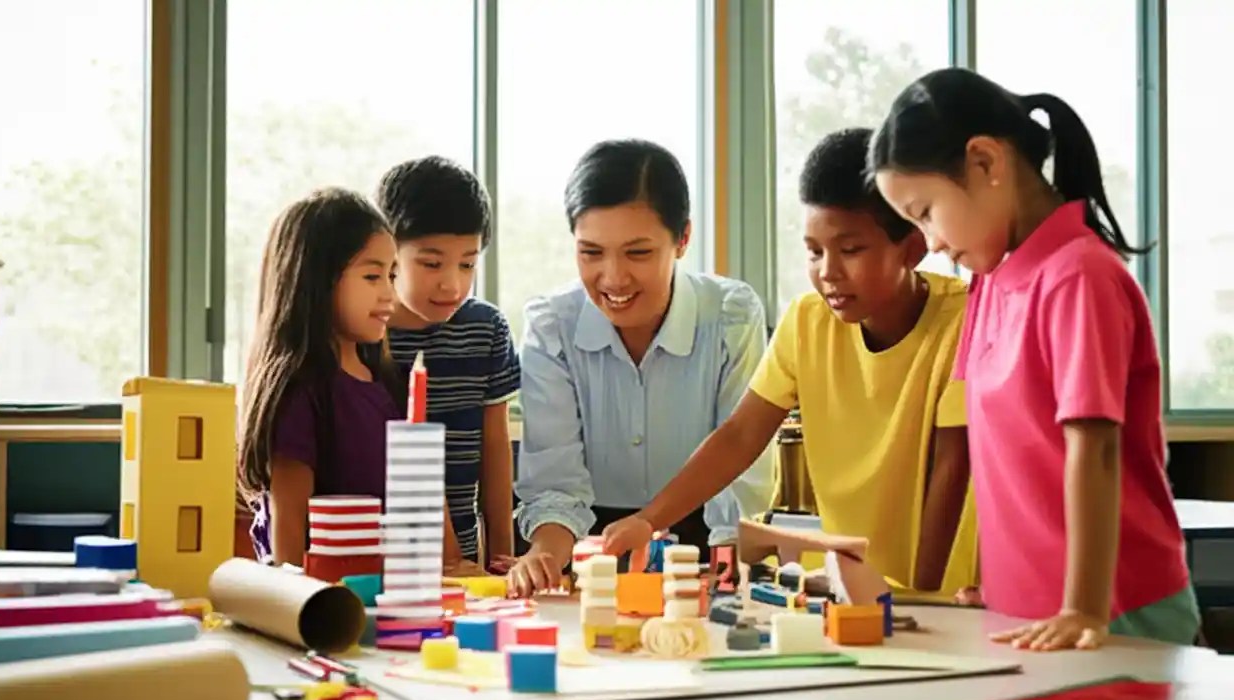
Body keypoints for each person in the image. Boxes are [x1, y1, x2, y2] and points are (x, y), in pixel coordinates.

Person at [869, 67, 1198, 650]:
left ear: (986, 163)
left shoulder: (1079, 276)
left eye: (925, 211)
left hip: (1113, 612)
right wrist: (1004, 583)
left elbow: (1093, 449)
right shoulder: (990, 282)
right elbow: (1005, 454)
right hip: (1032, 613)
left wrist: (1082, 608)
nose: (932, 241)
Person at [603, 128, 978, 597]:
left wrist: (921, 600)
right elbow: (740, 436)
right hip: (845, 590)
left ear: (913, 248)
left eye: (851, 249)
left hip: (942, 592)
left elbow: (952, 470)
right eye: (814, 251)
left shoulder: (966, 321)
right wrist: (648, 519)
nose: (828, 271)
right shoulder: (807, 322)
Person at [508, 139, 777, 596]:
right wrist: (545, 559)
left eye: (638, 253)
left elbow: (741, 464)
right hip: (586, 548)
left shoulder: (730, 316)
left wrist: (727, 564)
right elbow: (555, 480)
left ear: (683, 239)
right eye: (591, 253)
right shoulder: (552, 326)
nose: (613, 278)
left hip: (707, 547)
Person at [237, 187, 406, 566]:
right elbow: (289, 529)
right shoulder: (300, 391)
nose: (389, 295)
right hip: (321, 606)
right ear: (319, 279)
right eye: (372, 276)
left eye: (391, 276)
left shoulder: (386, 384)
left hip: (378, 594)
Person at [375, 156, 520, 574]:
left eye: (468, 264)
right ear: (389, 252)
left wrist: (500, 560)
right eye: (432, 263)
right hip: (386, 557)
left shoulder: (486, 327)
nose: (452, 284)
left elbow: (496, 447)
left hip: (467, 564)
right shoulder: (367, 333)